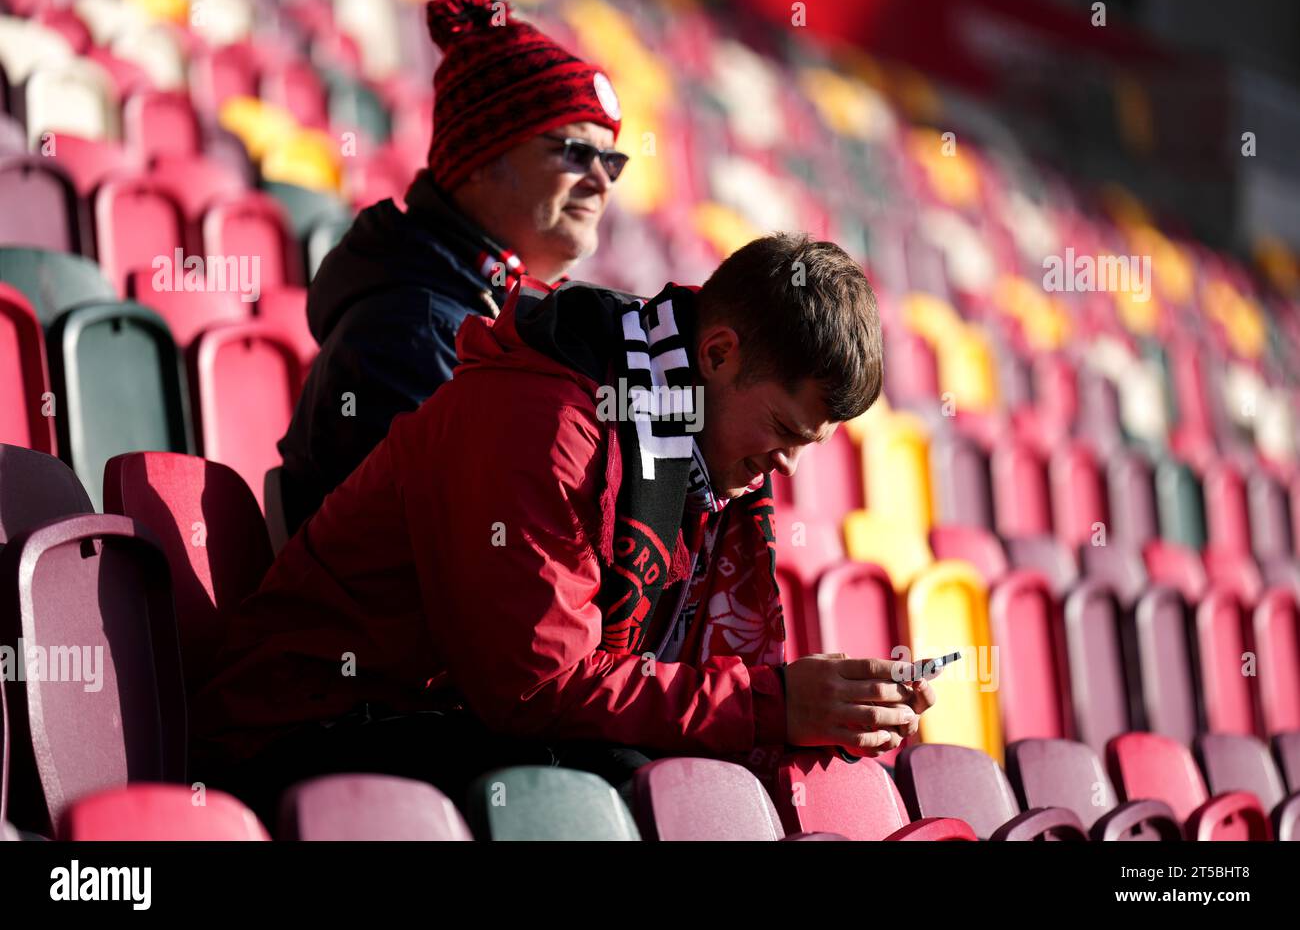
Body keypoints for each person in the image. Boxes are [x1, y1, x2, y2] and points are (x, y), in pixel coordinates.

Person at [194, 232, 936, 823]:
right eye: (783, 429)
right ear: (716, 355)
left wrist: (829, 707)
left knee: (687, 787)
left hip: (440, 723)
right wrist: (770, 702)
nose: (791, 470)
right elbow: (535, 688)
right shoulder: (545, 422)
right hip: (305, 735)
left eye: (811, 443)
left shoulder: (686, 438)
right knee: (622, 792)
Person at [275, 0, 626, 534]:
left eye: (612, 160)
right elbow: (460, 555)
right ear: (484, 161)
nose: (602, 181)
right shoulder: (412, 329)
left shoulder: (480, 310)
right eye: (575, 153)